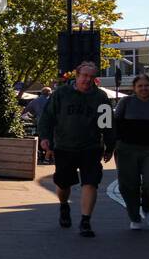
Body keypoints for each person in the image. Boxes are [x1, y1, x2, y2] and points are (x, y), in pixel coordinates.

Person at [38, 62, 116, 238]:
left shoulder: (101, 97)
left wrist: (110, 146)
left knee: (91, 182)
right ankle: (64, 205)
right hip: (65, 147)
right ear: (77, 75)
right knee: (63, 183)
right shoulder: (61, 94)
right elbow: (47, 118)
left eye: (91, 77)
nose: (87, 80)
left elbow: (107, 124)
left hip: (91, 147)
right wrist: (45, 138)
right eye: (84, 76)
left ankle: (85, 221)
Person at [114, 72, 149, 230]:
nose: (143, 88)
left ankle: (148, 208)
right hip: (127, 149)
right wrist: (114, 145)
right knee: (128, 184)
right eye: (140, 86)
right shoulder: (126, 102)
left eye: (146, 86)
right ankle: (134, 217)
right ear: (134, 88)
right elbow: (116, 123)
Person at [25, 87, 53, 163]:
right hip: (51, 124)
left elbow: (26, 111)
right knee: (51, 140)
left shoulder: (35, 101)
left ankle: (42, 156)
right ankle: (47, 156)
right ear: (49, 93)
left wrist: (33, 115)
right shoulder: (51, 101)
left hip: (39, 123)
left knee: (41, 139)